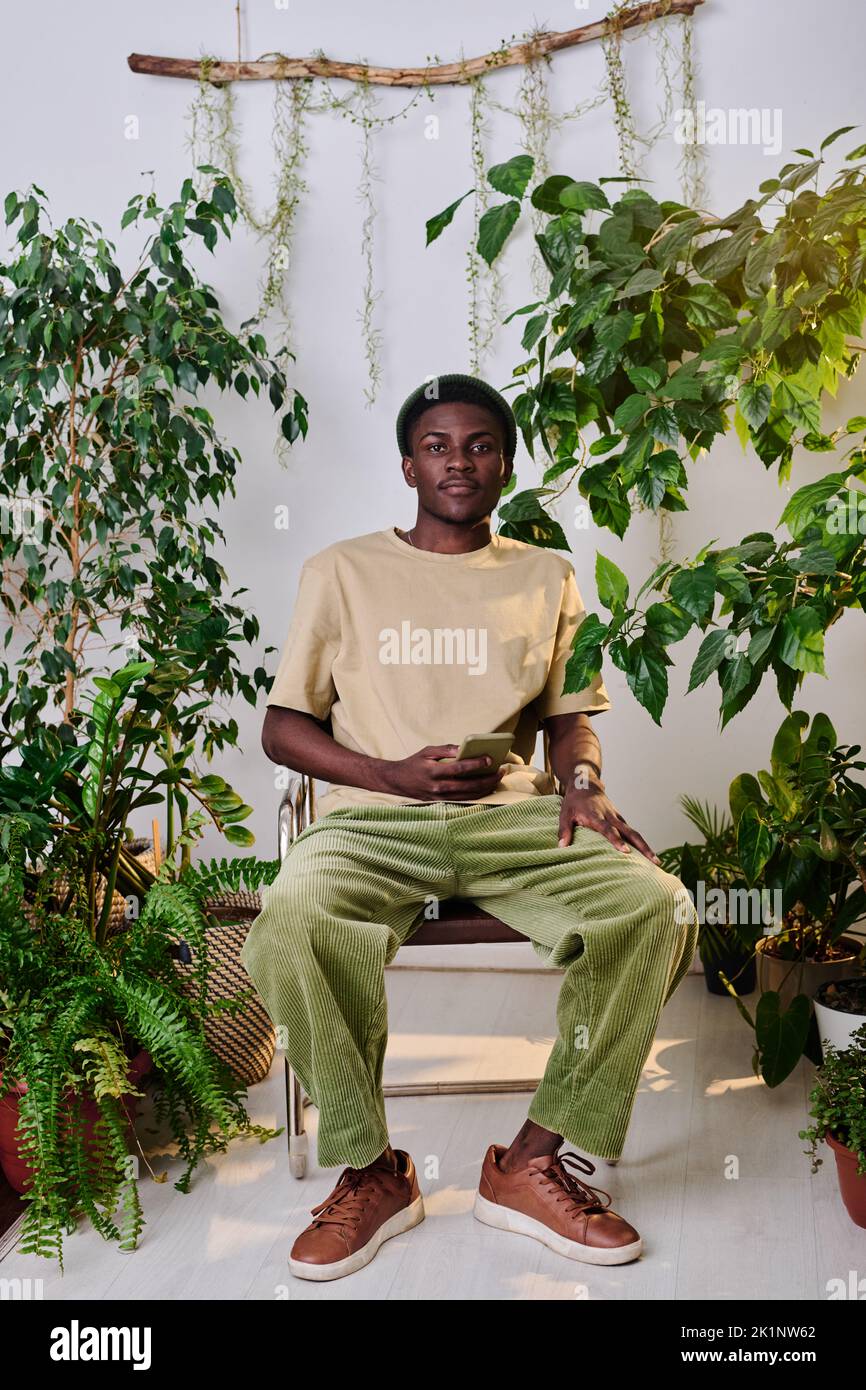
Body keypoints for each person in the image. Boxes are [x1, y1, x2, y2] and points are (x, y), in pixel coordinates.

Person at [239, 372, 698, 1282]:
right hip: (374, 824)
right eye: (439, 446)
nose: (460, 460)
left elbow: (570, 718)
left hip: (511, 821)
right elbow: (282, 727)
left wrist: (584, 783)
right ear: (408, 464)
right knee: (292, 916)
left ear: (506, 462)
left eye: (480, 444)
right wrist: (388, 773)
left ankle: (530, 1163)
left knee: (658, 907)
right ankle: (371, 1172)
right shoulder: (339, 570)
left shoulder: (545, 575)